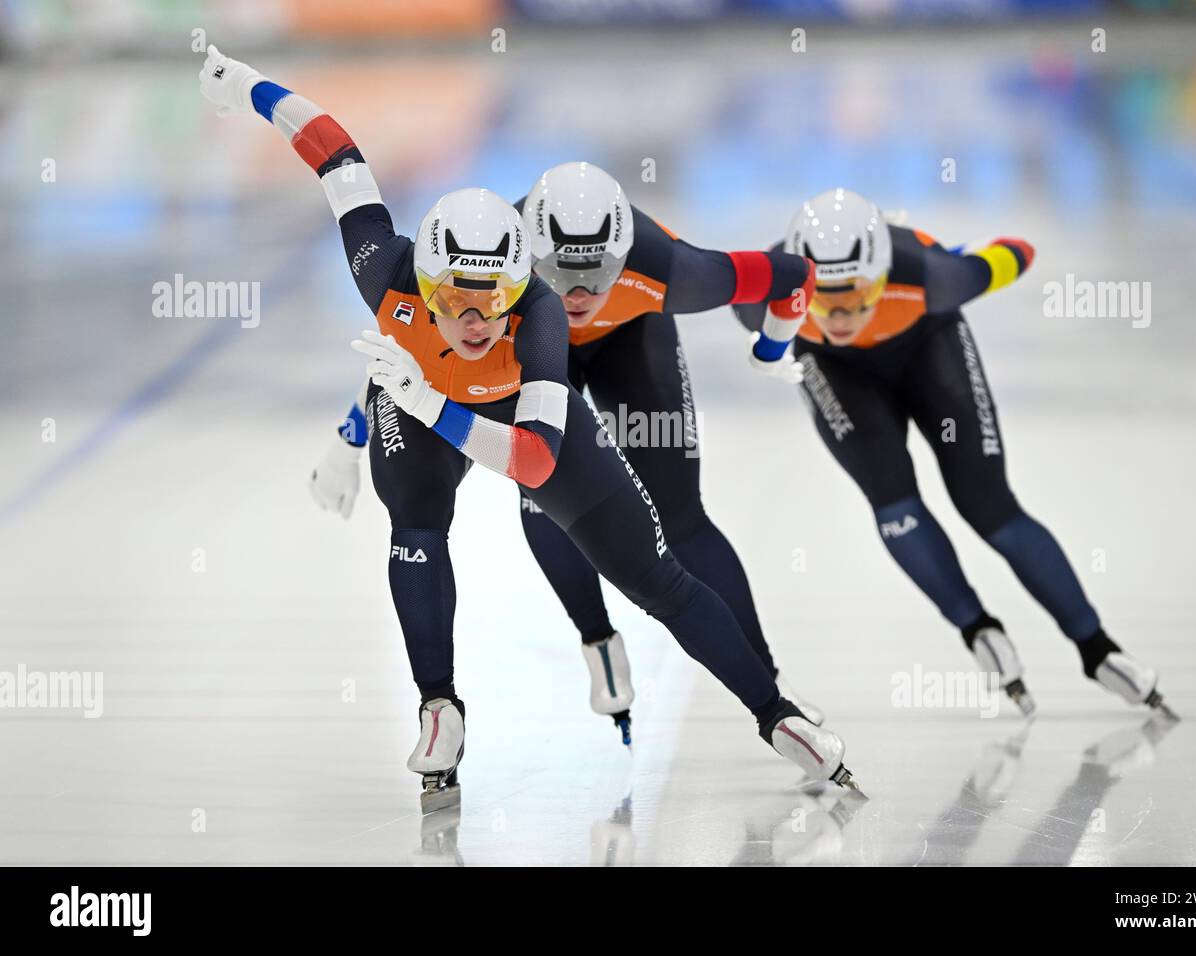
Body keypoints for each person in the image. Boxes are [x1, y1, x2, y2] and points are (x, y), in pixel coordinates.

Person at [197, 45, 859, 812]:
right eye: (460, 301)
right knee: (414, 523)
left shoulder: (541, 311)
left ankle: (775, 713)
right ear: (425, 282)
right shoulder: (382, 267)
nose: (478, 320)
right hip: (418, 406)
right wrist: (247, 85)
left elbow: (537, 461)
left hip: (491, 409)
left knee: (653, 574)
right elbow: (336, 154)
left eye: (496, 300)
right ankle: (438, 703)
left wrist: (429, 402)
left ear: (521, 280)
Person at [314, 161, 825, 744]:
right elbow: (410, 351)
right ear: (520, 262)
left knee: (679, 517)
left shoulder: (668, 269)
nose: (578, 294)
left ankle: (767, 681)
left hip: (627, 345)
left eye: (599, 275)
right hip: (522, 353)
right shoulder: (487, 256)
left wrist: (772, 347)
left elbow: (792, 277)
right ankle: (597, 637)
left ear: (625, 258)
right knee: (541, 495)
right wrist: (352, 434)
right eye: (557, 273)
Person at [734, 187, 1175, 719]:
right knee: (893, 502)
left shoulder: (934, 274)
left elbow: (1018, 251)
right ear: (802, 290)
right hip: (836, 373)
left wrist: (967, 252)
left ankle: (1097, 646)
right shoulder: (762, 296)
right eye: (824, 300)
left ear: (883, 275)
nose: (842, 315)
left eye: (855, 296)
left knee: (990, 507)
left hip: (929, 347)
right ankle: (977, 627)